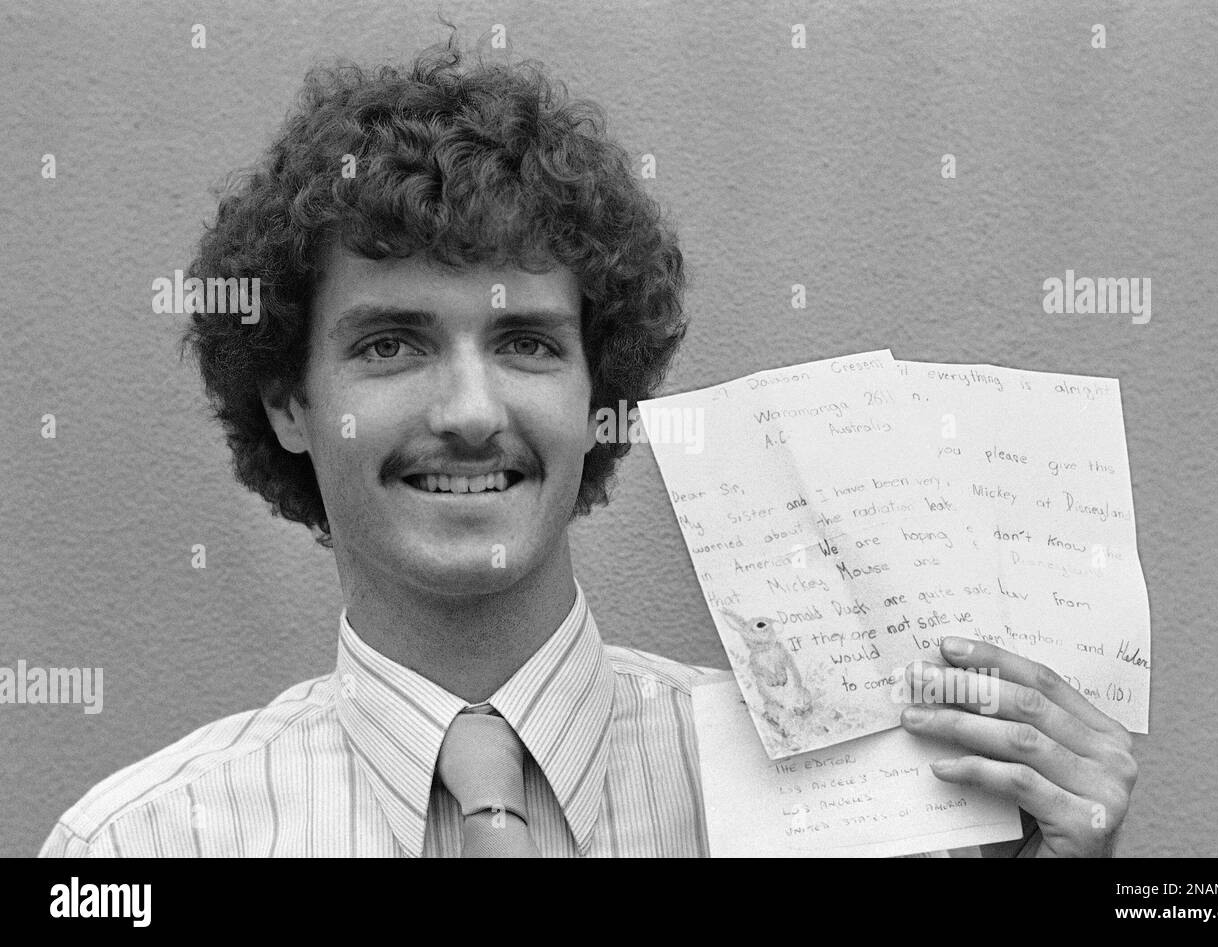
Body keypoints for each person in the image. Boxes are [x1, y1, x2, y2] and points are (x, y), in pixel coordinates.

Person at [38, 41, 1136, 858]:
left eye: (524, 342)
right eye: (391, 343)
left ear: (598, 392)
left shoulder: (853, 806)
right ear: (288, 400)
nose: (470, 410)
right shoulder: (136, 850)